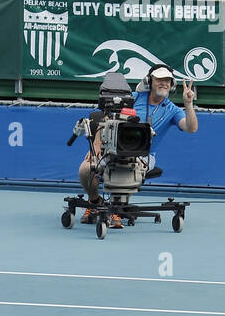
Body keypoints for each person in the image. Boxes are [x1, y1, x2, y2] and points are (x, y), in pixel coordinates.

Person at [77, 65, 198, 227]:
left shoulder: (172, 110)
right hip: (112, 149)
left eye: (167, 80)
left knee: (125, 167)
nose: (164, 83)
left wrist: (188, 104)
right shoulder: (131, 98)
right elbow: (102, 116)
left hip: (144, 155)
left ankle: (114, 211)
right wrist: (97, 143)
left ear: (172, 85)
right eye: (159, 79)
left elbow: (191, 128)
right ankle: (94, 203)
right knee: (86, 169)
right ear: (149, 81)